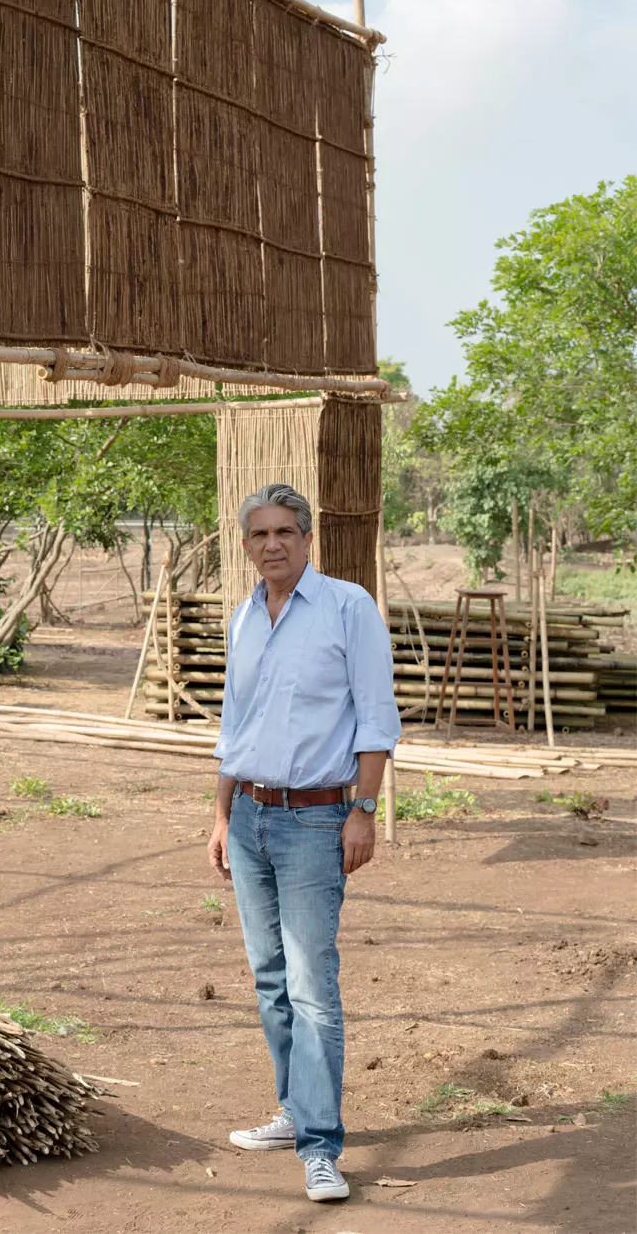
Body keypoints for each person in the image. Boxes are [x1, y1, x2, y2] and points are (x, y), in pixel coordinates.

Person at [207, 482, 400, 1203]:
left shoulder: (349, 609)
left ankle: (322, 1146)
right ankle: (295, 1110)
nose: (273, 545)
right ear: (248, 544)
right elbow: (236, 727)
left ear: (308, 537)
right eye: (259, 535)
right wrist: (221, 815)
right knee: (268, 975)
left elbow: (376, 718)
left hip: (319, 818)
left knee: (313, 983)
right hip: (251, 816)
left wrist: (364, 809)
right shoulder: (244, 619)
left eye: (285, 531)